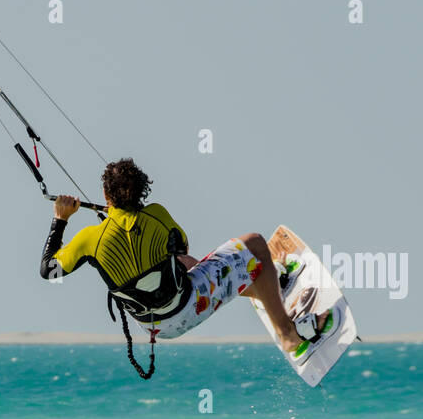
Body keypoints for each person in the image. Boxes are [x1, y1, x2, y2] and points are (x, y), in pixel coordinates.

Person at [39, 158, 331, 377]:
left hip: (155, 327)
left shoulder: (89, 239)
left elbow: (48, 270)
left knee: (180, 265)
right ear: (141, 192)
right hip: (192, 303)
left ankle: (263, 288)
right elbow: (184, 247)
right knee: (254, 244)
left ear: (106, 197)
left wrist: (61, 219)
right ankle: (289, 335)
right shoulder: (157, 215)